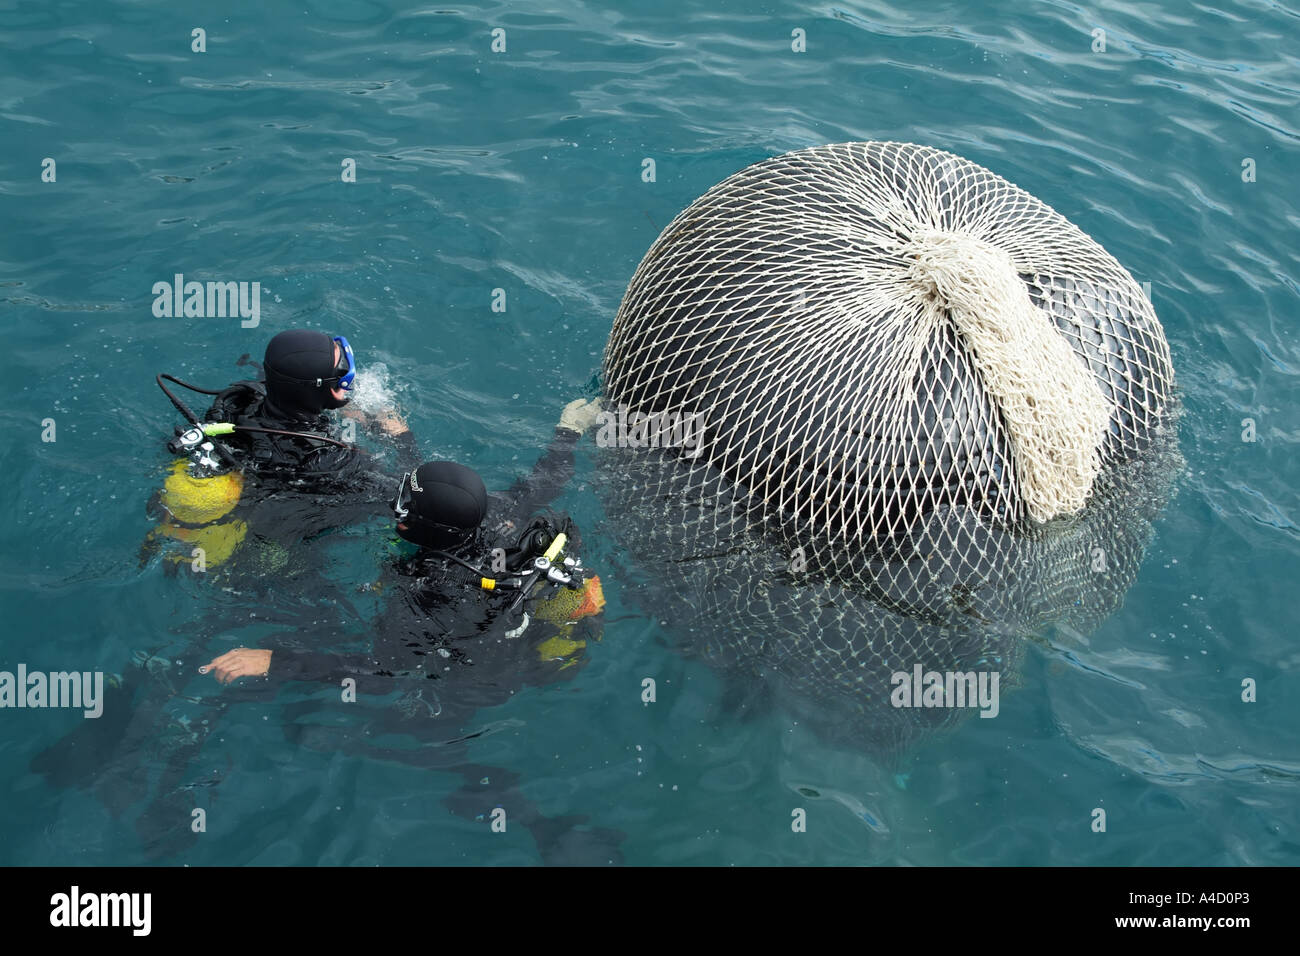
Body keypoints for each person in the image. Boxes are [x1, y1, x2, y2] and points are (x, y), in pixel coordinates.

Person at [201, 396, 605, 686]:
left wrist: (277, 660)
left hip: (500, 675)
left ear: (418, 529)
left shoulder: (431, 592)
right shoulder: (503, 508)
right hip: (554, 606)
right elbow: (548, 477)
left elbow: (385, 668)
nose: (396, 508)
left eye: (404, 507)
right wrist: (569, 428)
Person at [144, 329, 416, 575]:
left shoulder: (242, 401)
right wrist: (402, 438)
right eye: (341, 373)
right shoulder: (331, 459)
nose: (348, 379)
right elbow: (410, 500)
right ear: (322, 391)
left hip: (234, 499)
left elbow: (294, 391)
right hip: (265, 547)